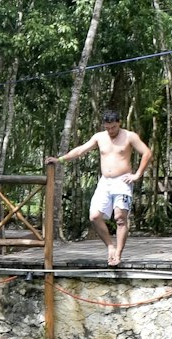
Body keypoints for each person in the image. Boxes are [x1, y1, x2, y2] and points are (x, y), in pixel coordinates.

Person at [49, 108, 153, 267]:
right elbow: (80, 150)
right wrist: (59, 160)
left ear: (119, 123)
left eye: (113, 127)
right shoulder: (99, 137)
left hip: (122, 181)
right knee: (94, 216)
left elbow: (147, 153)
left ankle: (117, 254)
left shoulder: (129, 136)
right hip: (105, 182)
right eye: (108, 127)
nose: (111, 130)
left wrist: (137, 174)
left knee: (120, 218)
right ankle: (110, 246)